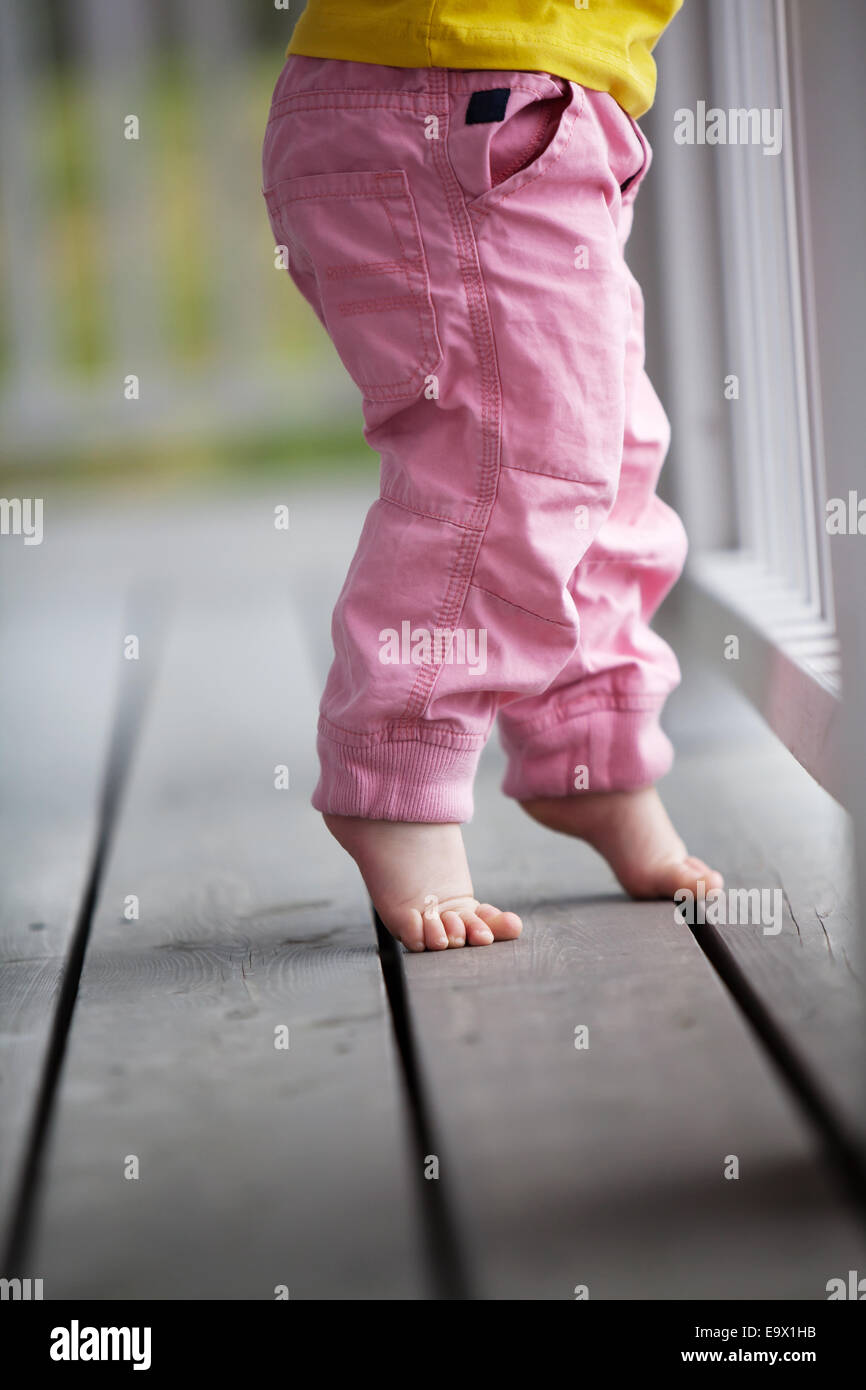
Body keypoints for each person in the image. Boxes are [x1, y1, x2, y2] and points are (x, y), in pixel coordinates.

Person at [261, 0, 723, 951]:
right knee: (508, 464)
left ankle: (591, 756)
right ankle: (397, 774)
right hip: (458, 96)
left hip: (535, 100)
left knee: (603, 458)